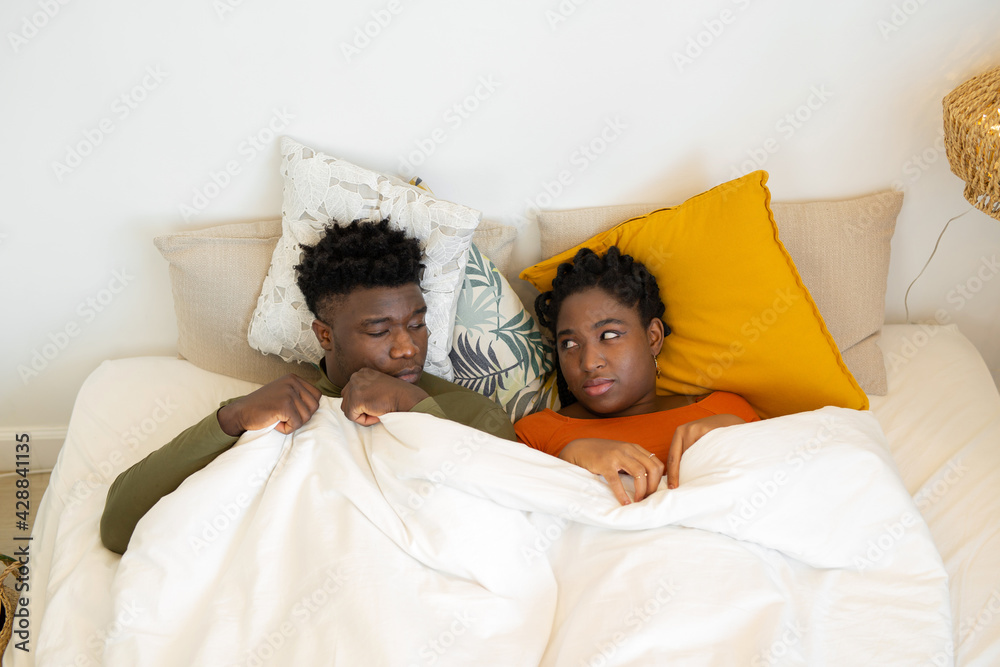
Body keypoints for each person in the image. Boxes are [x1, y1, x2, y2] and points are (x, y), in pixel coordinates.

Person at [100, 219, 515, 554]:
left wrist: (417, 407)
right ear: (325, 335)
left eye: (417, 324)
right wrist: (231, 418)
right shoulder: (270, 411)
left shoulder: (472, 412)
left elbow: (509, 526)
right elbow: (118, 528)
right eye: (378, 330)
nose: (408, 348)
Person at [514, 246, 759, 506]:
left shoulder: (724, 413)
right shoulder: (535, 435)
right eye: (570, 344)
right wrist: (566, 460)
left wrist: (741, 439)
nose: (588, 363)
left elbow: (783, 491)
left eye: (608, 335)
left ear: (653, 337)